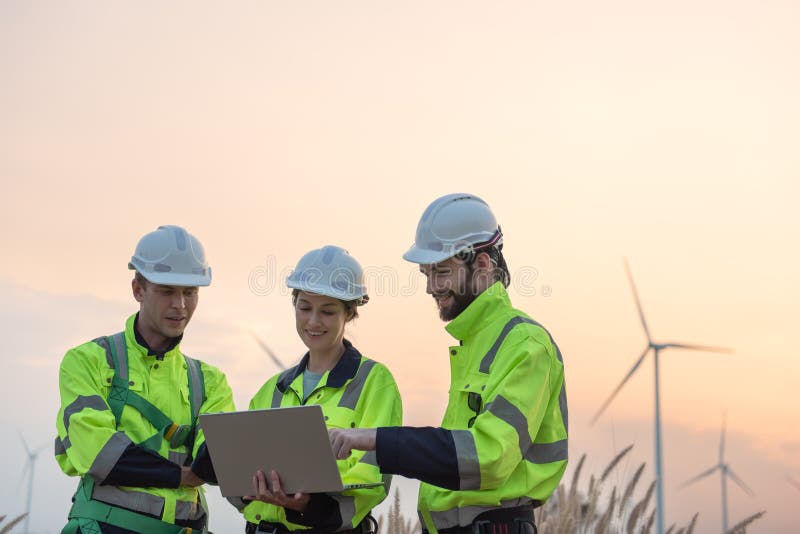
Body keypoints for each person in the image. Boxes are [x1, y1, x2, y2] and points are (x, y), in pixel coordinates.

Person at [329, 194, 568, 533]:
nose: (430, 287)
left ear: (483, 265)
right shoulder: (478, 342)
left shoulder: (525, 345)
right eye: (426, 274)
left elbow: (488, 456)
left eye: (440, 272)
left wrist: (375, 440)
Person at [55, 225, 236, 534]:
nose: (180, 305)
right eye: (167, 291)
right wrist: (181, 476)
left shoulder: (210, 381)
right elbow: (99, 454)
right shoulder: (88, 361)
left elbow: (221, 458)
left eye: (190, 292)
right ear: (138, 289)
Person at [235, 245, 402, 534]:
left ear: (350, 313)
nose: (313, 321)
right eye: (305, 308)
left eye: (327, 311)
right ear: (294, 305)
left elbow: (373, 479)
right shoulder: (271, 390)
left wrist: (309, 505)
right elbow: (239, 474)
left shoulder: (374, 383)